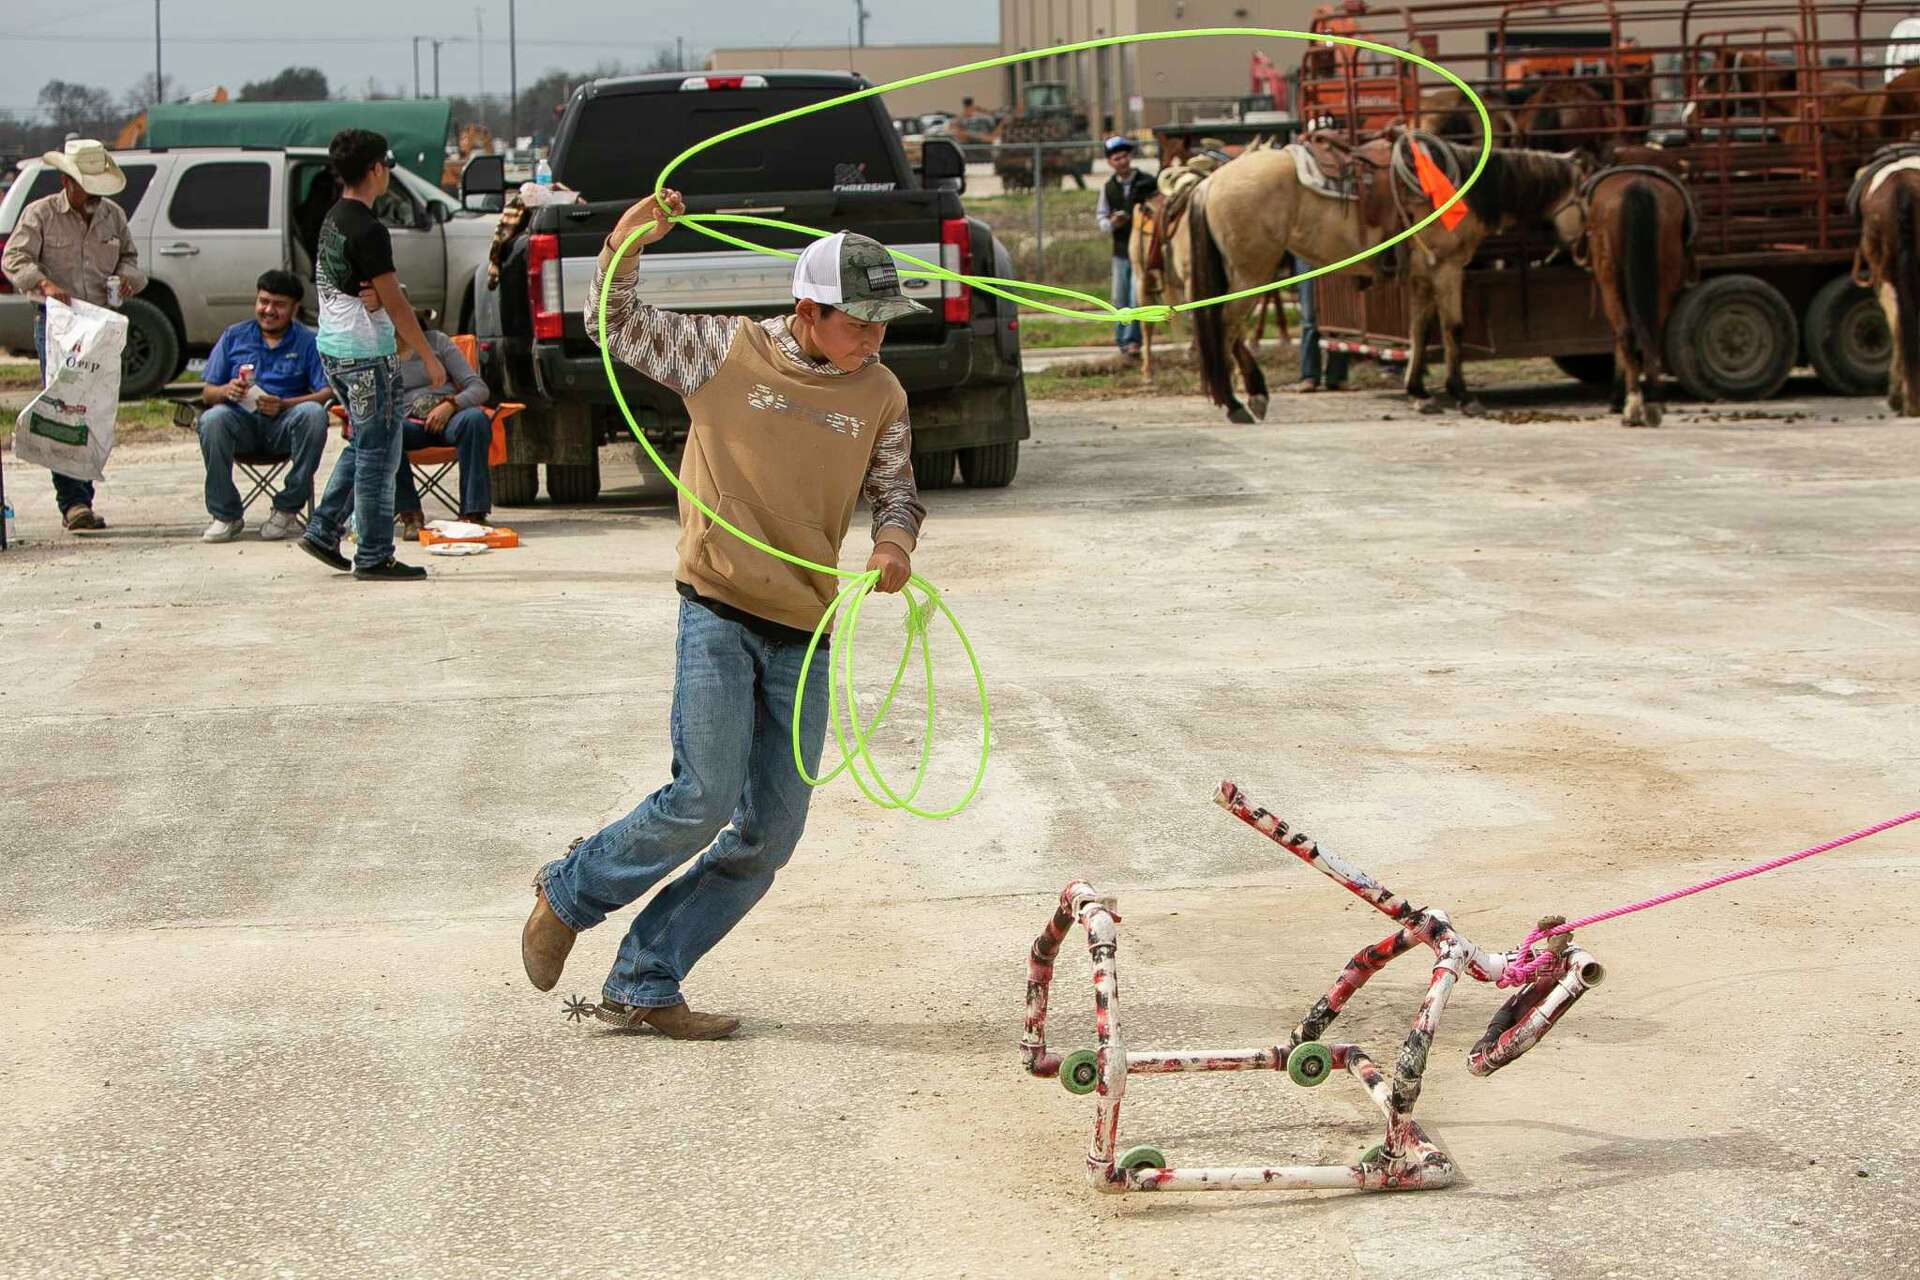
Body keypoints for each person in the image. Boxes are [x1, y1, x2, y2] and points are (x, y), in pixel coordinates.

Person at [521, 192, 926, 1041]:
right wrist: (627, 243)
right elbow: (614, 320)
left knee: (770, 836)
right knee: (701, 797)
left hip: (806, 631)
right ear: (810, 311)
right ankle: (570, 893)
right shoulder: (724, 352)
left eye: (885, 322)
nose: (876, 337)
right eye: (861, 321)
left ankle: (645, 978)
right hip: (719, 606)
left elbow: (896, 490)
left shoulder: (880, 393)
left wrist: (894, 544)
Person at [298, 128, 446, 582]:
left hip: (334, 347)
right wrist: (428, 355)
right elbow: (394, 302)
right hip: (365, 353)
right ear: (376, 170)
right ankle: (374, 553)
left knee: (367, 442)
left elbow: (357, 286)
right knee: (381, 452)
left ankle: (324, 528)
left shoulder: (333, 218)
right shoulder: (368, 228)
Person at [0, 139, 146, 532]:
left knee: (93, 410)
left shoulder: (112, 215)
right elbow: (14, 259)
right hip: (59, 325)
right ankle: (74, 502)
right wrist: (44, 283)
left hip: (100, 325)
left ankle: (82, 496)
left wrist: (128, 279)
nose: (93, 193)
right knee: (63, 409)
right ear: (67, 181)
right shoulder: (41, 214)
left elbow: (131, 260)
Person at [196, 271, 335, 542]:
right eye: (263, 301)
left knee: (314, 414)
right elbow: (207, 392)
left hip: (284, 427)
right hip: (241, 426)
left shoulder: (309, 341)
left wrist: (285, 405)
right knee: (212, 419)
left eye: (279, 304)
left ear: (295, 308)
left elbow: (327, 392)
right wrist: (227, 390)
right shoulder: (234, 336)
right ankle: (225, 515)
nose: (269, 310)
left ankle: (287, 508)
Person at [392, 325, 495, 536]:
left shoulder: (437, 342)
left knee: (475, 419)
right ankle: (410, 514)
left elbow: (479, 388)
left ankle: (473, 513)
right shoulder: (377, 350)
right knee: (388, 432)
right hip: (408, 423)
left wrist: (450, 405)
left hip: (449, 418)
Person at [1095, 135, 1157, 359]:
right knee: (1120, 299)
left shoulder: (1147, 182)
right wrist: (1112, 223)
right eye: (1116, 158)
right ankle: (1122, 341)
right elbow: (1101, 219)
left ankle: (1133, 342)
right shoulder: (1108, 188)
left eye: (1124, 156)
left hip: (1142, 251)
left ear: (1130, 157)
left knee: (1135, 297)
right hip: (1121, 251)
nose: (1122, 161)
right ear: (1110, 162)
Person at [1290, 254, 1349, 393]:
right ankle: (1309, 376)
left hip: (1336, 252)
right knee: (1310, 318)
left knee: (1338, 316)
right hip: (1308, 255)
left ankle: (1337, 377)